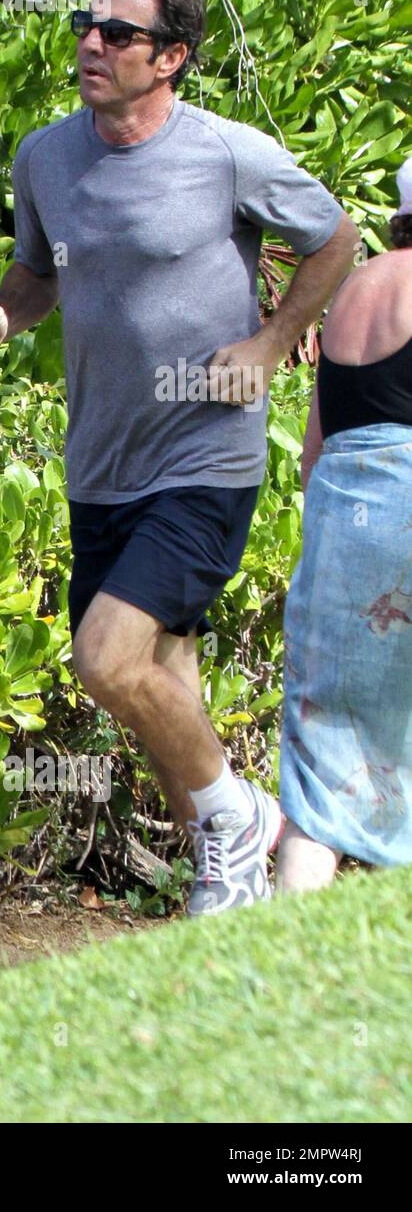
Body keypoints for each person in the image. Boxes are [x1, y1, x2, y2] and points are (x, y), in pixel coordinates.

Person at [0, 0, 358, 915]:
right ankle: (231, 879)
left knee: (106, 657)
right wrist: (3, 317)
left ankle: (240, 818)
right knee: (166, 672)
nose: (93, 44)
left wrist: (271, 341)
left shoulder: (225, 153)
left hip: (202, 458)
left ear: (171, 57)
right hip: (101, 463)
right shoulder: (45, 158)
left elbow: (333, 237)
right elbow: (38, 273)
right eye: (88, 28)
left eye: (120, 34)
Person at [276, 160, 412, 892]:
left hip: (342, 515)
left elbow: (314, 446)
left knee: (323, 737)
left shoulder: (356, 286)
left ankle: (287, 933)